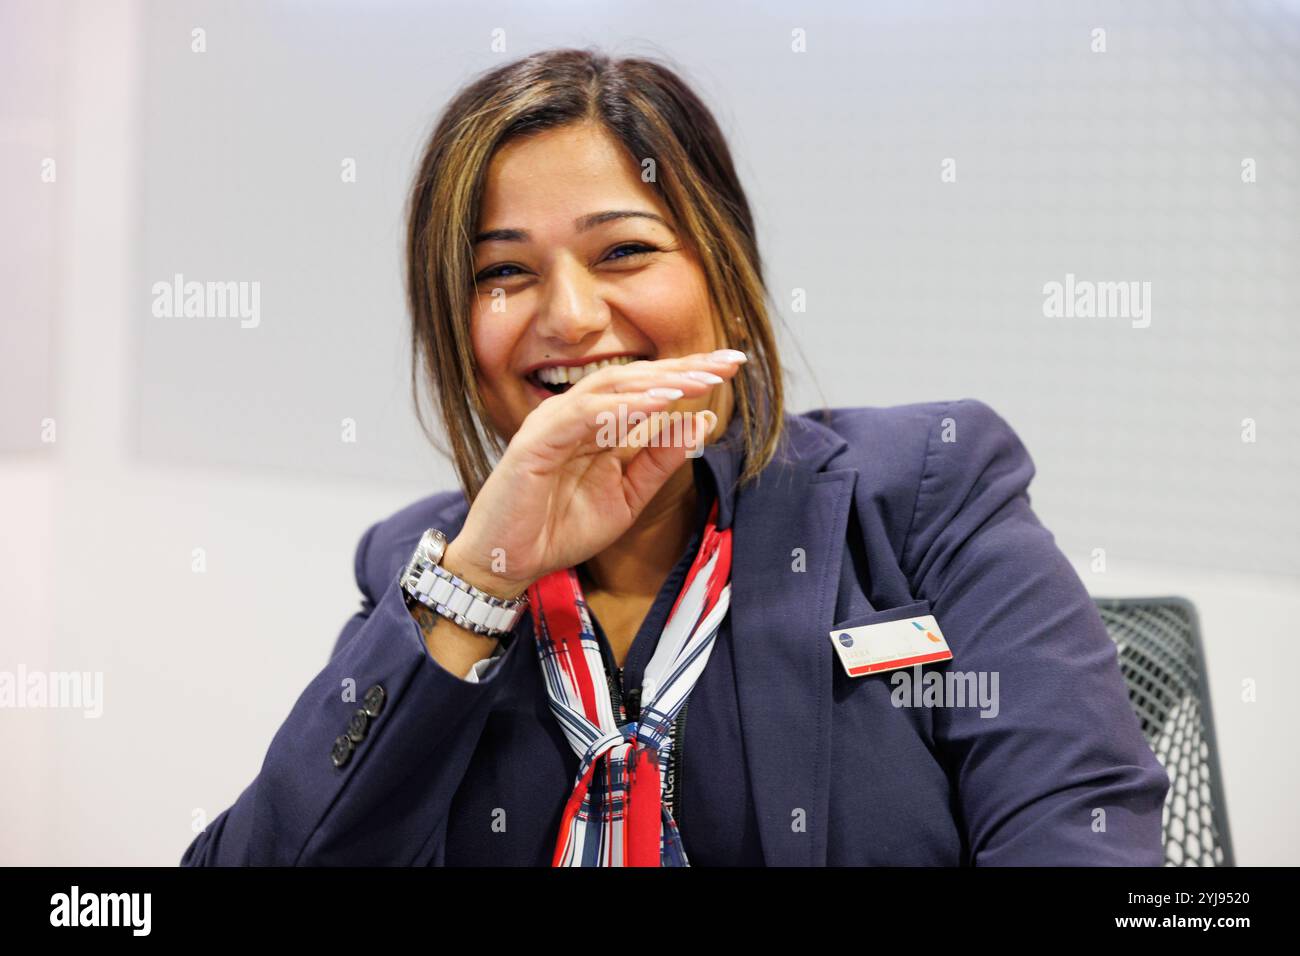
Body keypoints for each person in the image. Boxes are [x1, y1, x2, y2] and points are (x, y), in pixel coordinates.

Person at [181, 48, 1169, 867]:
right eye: (504, 272)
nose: (569, 317)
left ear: (724, 272)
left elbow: (1079, 842)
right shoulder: (431, 570)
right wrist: (481, 578)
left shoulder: (928, 493)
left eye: (623, 253)